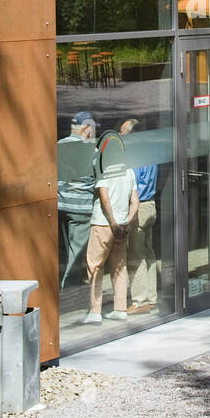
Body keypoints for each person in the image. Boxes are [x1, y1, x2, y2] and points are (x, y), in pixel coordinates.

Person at [84, 134, 139, 324]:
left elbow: (104, 197)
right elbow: (135, 201)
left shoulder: (105, 169)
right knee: (119, 267)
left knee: (95, 266)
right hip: (123, 225)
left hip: (103, 224)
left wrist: (113, 222)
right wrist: (127, 223)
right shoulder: (129, 171)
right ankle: (120, 309)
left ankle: (95, 311)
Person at [119, 119, 160, 314]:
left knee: (136, 255)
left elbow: (134, 184)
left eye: (123, 133)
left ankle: (140, 301)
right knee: (148, 252)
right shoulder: (151, 151)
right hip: (150, 205)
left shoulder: (135, 155)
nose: (120, 136)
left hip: (139, 207)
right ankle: (151, 298)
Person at [57, 112, 98, 289]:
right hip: (81, 209)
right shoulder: (91, 149)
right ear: (86, 128)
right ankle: (69, 290)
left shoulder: (59, 145)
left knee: (67, 250)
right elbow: (98, 177)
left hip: (61, 205)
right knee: (76, 254)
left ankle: (69, 283)